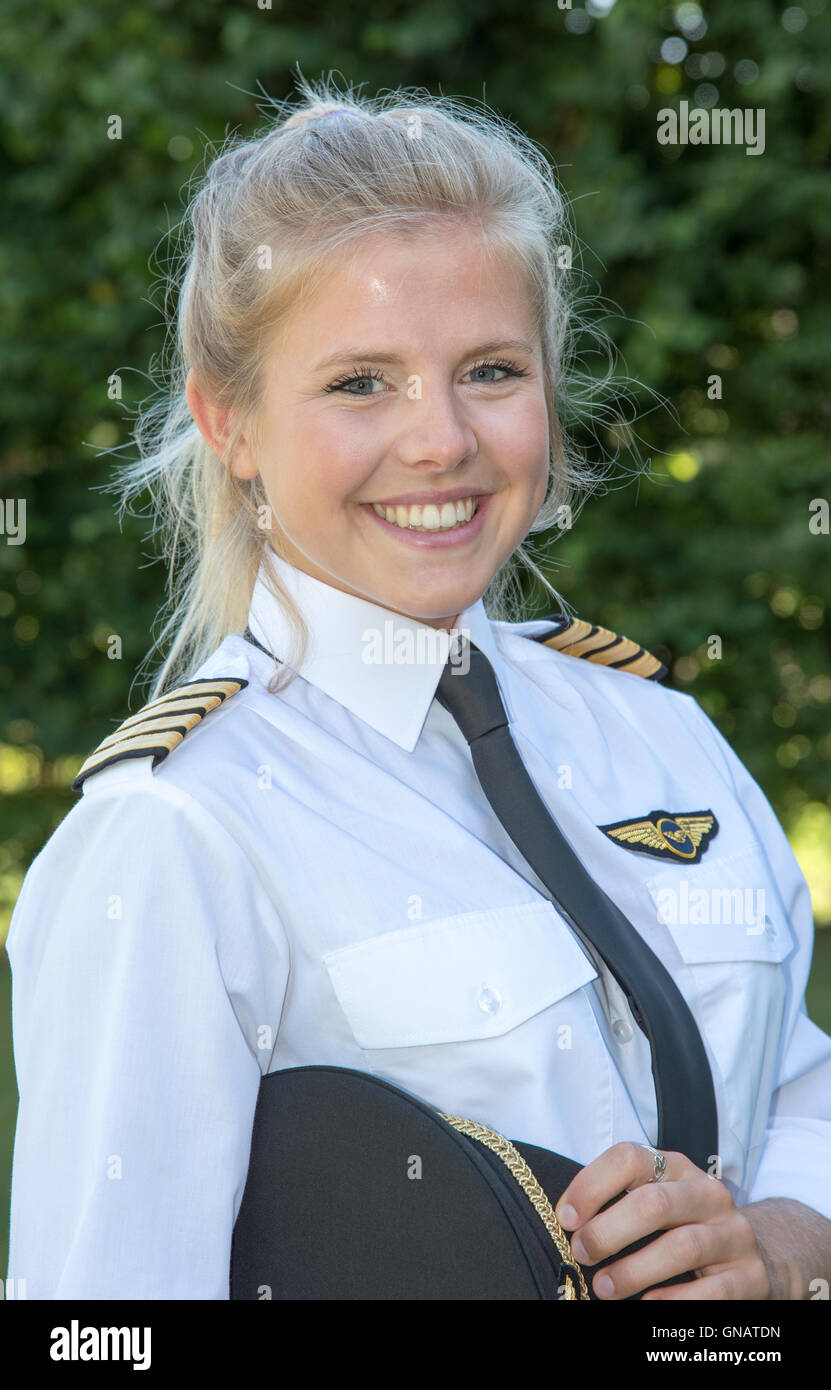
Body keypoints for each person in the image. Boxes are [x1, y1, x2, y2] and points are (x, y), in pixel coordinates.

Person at [6, 78, 831, 1302]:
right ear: (227, 419)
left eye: (490, 370)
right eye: (360, 383)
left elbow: (798, 1094)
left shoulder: (663, 735)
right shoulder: (177, 831)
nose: (441, 440)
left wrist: (775, 1248)